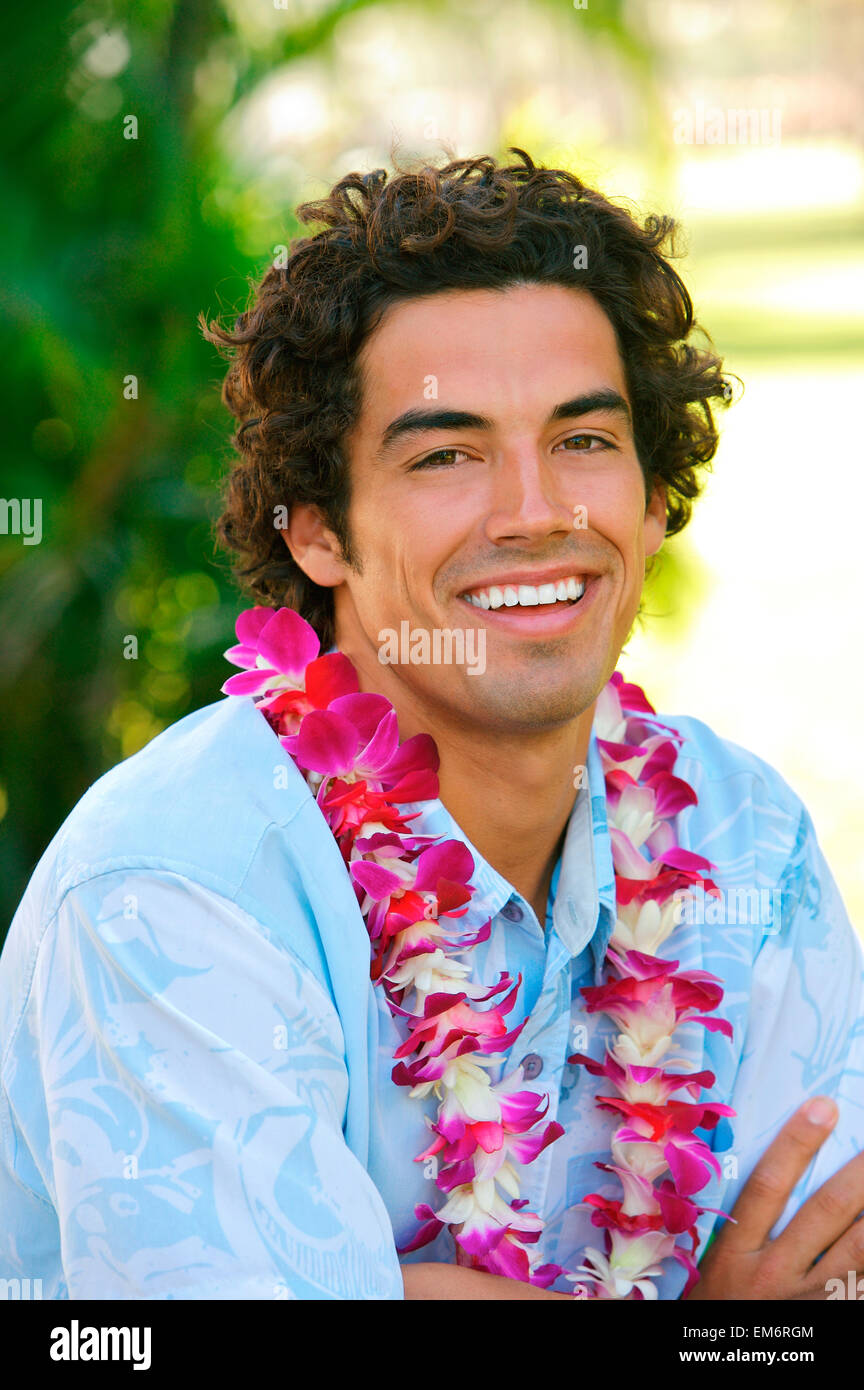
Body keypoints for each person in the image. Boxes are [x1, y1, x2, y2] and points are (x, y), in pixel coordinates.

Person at [1, 148, 862, 1302]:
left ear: (654, 498)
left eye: (585, 440)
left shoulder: (748, 839)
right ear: (315, 531)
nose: (534, 512)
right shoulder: (172, 889)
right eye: (447, 454)